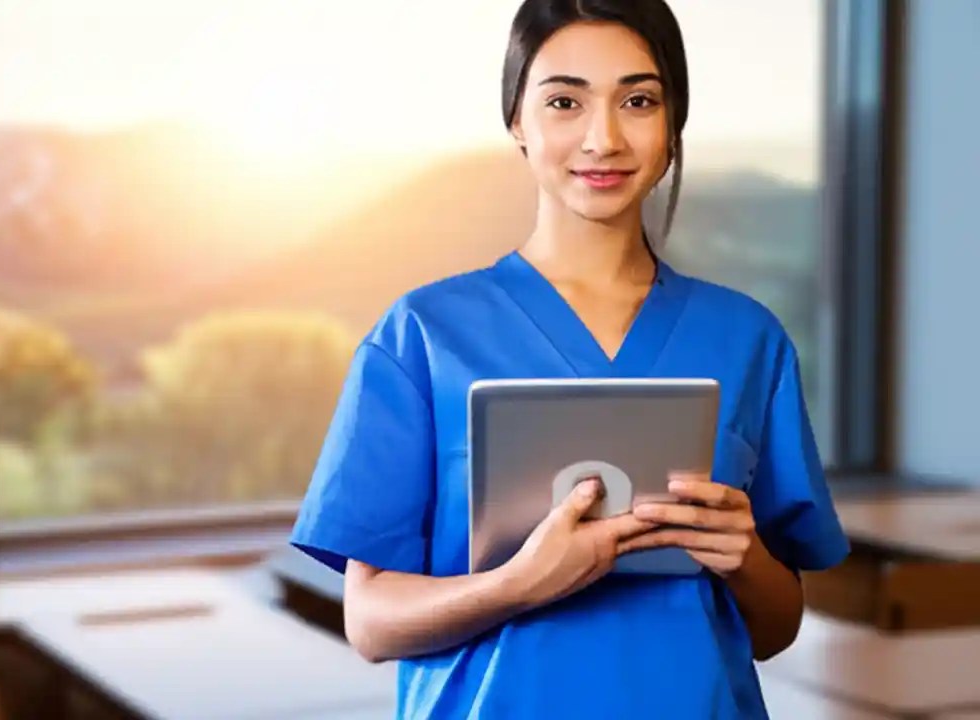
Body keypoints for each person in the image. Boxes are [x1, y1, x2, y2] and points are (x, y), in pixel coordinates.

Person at [289, 0, 851, 717]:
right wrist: (522, 582)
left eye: (639, 100)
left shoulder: (748, 341)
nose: (604, 136)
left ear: (673, 125)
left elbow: (775, 630)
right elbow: (369, 624)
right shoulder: (422, 337)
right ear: (518, 122)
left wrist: (746, 559)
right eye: (564, 101)